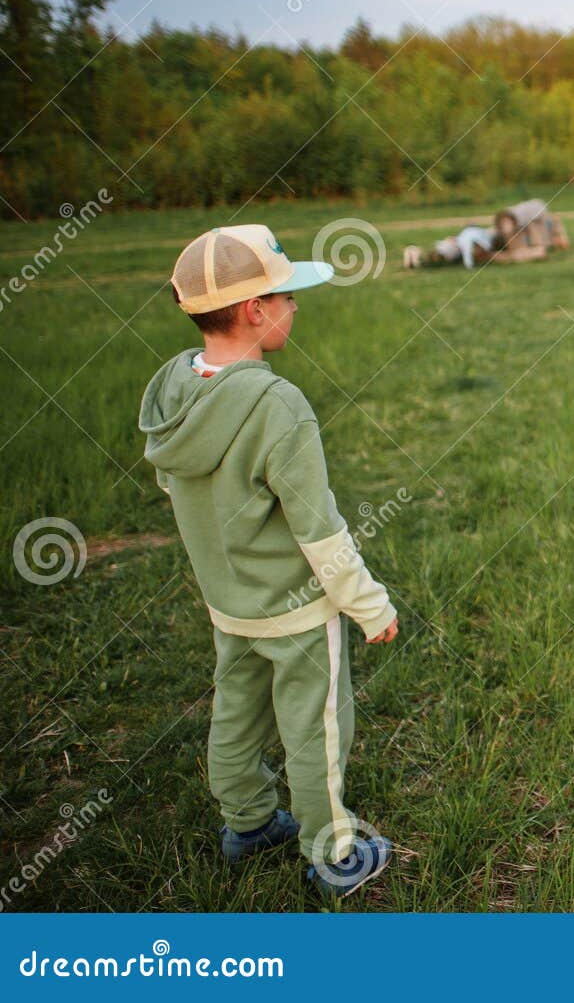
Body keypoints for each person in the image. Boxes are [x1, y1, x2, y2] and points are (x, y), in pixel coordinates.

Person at [139, 224, 400, 897]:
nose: (295, 307)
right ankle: (336, 854)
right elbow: (321, 532)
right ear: (256, 309)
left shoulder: (173, 389)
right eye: (287, 295)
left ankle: (249, 822)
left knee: (237, 713)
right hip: (296, 610)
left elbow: (176, 486)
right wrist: (369, 604)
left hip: (229, 603)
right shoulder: (277, 404)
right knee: (316, 731)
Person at [493, 198, 569, 262]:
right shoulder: (523, 225)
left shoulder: (539, 225)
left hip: (537, 223)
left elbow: (541, 251)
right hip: (527, 223)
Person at [402, 225, 496, 269]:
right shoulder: (475, 237)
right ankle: (415, 253)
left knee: (436, 255)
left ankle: (415, 253)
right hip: (451, 248)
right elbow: (467, 248)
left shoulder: (475, 234)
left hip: (451, 245)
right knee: (436, 257)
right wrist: (469, 264)